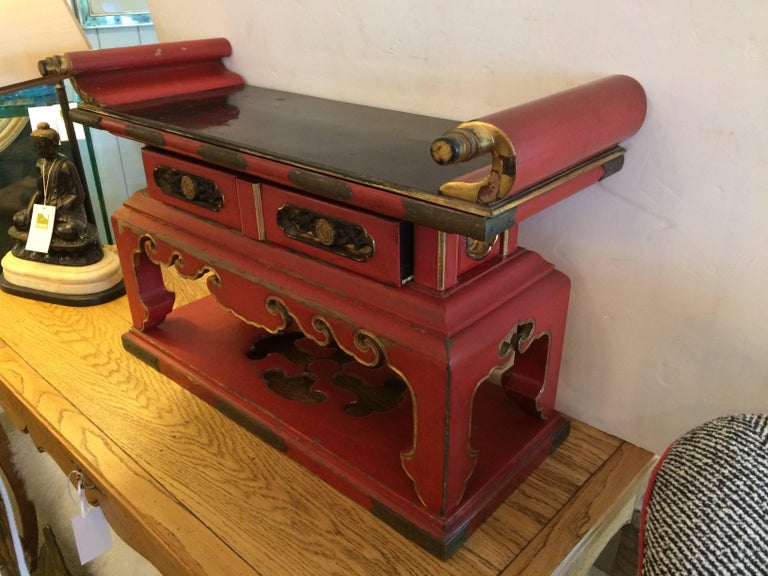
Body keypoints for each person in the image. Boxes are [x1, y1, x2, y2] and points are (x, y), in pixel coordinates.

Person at [12, 122, 89, 242]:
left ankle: (45, 232)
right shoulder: (41, 164)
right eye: (36, 147)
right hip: (45, 209)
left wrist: (57, 208)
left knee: (67, 230)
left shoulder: (65, 166)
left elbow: (77, 195)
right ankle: (45, 231)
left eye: (42, 146)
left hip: (66, 212)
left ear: (53, 145)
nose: (39, 150)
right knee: (19, 220)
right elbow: (39, 192)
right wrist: (29, 212)